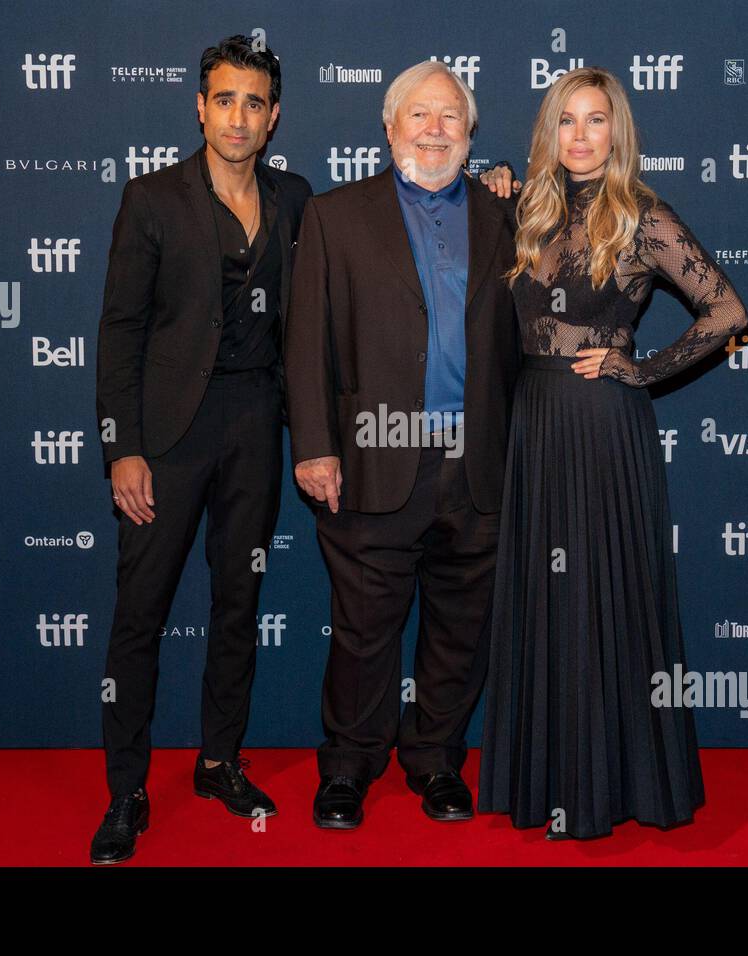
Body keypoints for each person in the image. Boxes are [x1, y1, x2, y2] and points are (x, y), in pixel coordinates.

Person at [476, 67, 748, 840]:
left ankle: (607, 784)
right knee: (547, 599)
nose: (581, 135)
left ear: (616, 132)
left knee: (601, 594)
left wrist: (643, 368)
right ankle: (548, 781)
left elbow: (727, 311)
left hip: (600, 421)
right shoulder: (525, 209)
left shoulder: (640, 215)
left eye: (596, 120)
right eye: (567, 120)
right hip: (535, 419)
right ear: (550, 131)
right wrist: (492, 177)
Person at [90, 35, 313, 864]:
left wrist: (490, 177)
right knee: (140, 613)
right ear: (199, 107)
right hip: (168, 435)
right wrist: (123, 447)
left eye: (254, 103)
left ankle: (219, 762)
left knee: (238, 603)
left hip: (256, 422)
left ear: (273, 116)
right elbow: (119, 331)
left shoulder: (295, 198)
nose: (238, 117)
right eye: (224, 100)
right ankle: (126, 790)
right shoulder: (152, 198)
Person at [284, 60, 521, 829]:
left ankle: (437, 761)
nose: (434, 130)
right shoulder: (334, 216)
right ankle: (347, 767)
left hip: (478, 462)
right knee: (363, 629)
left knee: (461, 627)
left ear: (471, 134)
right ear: (389, 129)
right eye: (419, 114)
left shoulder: (507, 218)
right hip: (373, 457)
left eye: (451, 117)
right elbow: (305, 341)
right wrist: (313, 445)